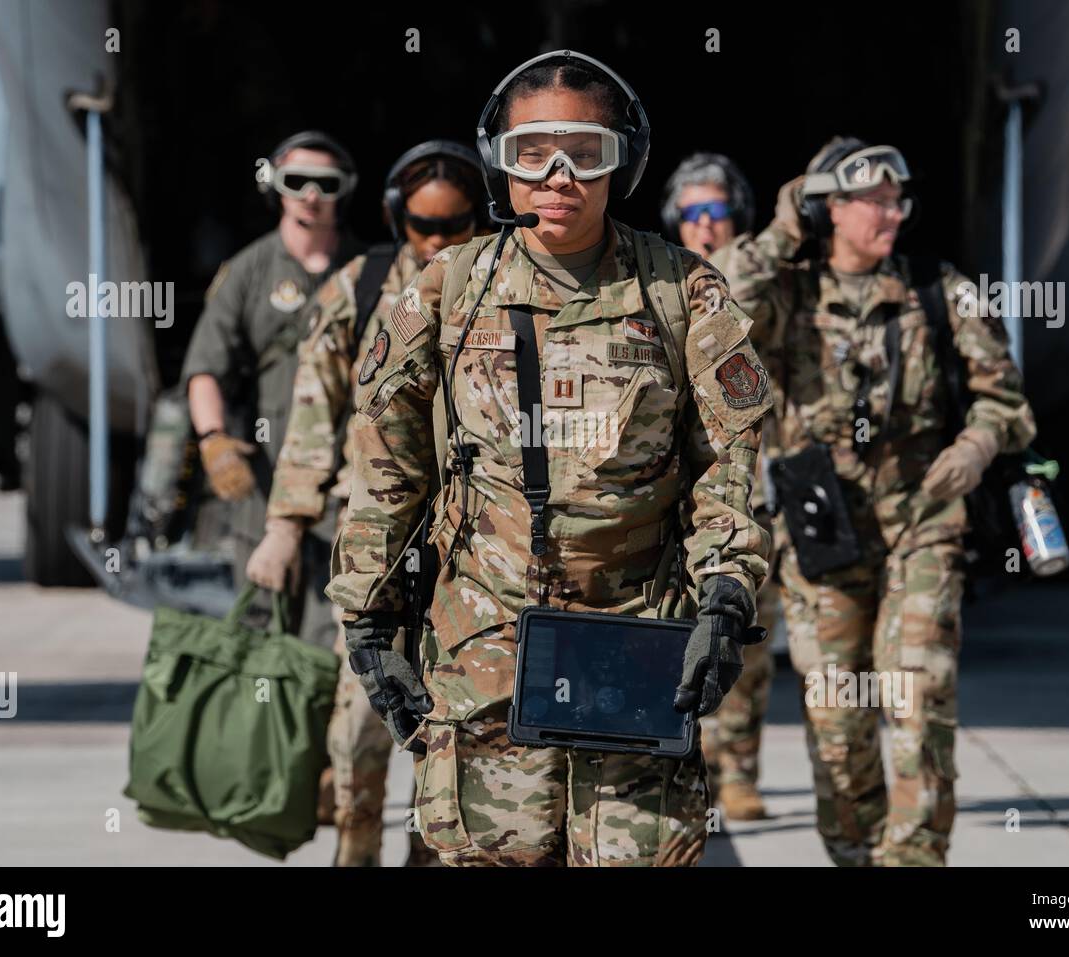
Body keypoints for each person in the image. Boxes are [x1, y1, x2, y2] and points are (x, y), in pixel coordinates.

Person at [327, 50, 773, 867]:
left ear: (622, 163)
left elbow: (728, 468)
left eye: (585, 151)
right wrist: (367, 616)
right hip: (483, 650)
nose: (558, 176)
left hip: (639, 651)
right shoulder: (445, 290)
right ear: (502, 164)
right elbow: (389, 469)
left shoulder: (684, 293)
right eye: (532, 153)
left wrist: (725, 596)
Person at [715, 137, 1037, 865]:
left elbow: (1007, 401)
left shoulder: (939, 289)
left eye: (900, 200)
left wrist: (978, 445)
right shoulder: (788, 292)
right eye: (876, 201)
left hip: (922, 521)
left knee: (919, 693)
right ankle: (856, 854)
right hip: (823, 532)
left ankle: (915, 857)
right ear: (833, 209)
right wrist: (783, 228)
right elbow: (717, 310)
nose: (894, 213)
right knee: (837, 716)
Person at [246, 140, 485, 866]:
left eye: (456, 226)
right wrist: (286, 524)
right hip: (376, 538)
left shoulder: (505, 287)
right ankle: (354, 847)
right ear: (396, 216)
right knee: (358, 725)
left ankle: (428, 851)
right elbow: (312, 412)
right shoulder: (361, 285)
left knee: (455, 722)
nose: (438, 241)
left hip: (475, 541)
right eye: (423, 225)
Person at [182, 130, 357, 647]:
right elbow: (205, 369)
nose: (311, 195)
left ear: (344, 190)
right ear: (274, 187)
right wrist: (213, 439)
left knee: (336, 637)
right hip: (263, 483)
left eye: (325, 184)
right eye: (296, 181)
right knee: (259, 632)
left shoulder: (369, 271)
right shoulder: (247, 271)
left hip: (341, 489)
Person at [662, 153, 773, 821]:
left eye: (717, 211)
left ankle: (741, 769)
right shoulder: (657, 284)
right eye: (694, 214)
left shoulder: (755, 278)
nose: (706, 226)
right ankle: (683, 756)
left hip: (748, 486)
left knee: (747, 640)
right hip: (675, 490)